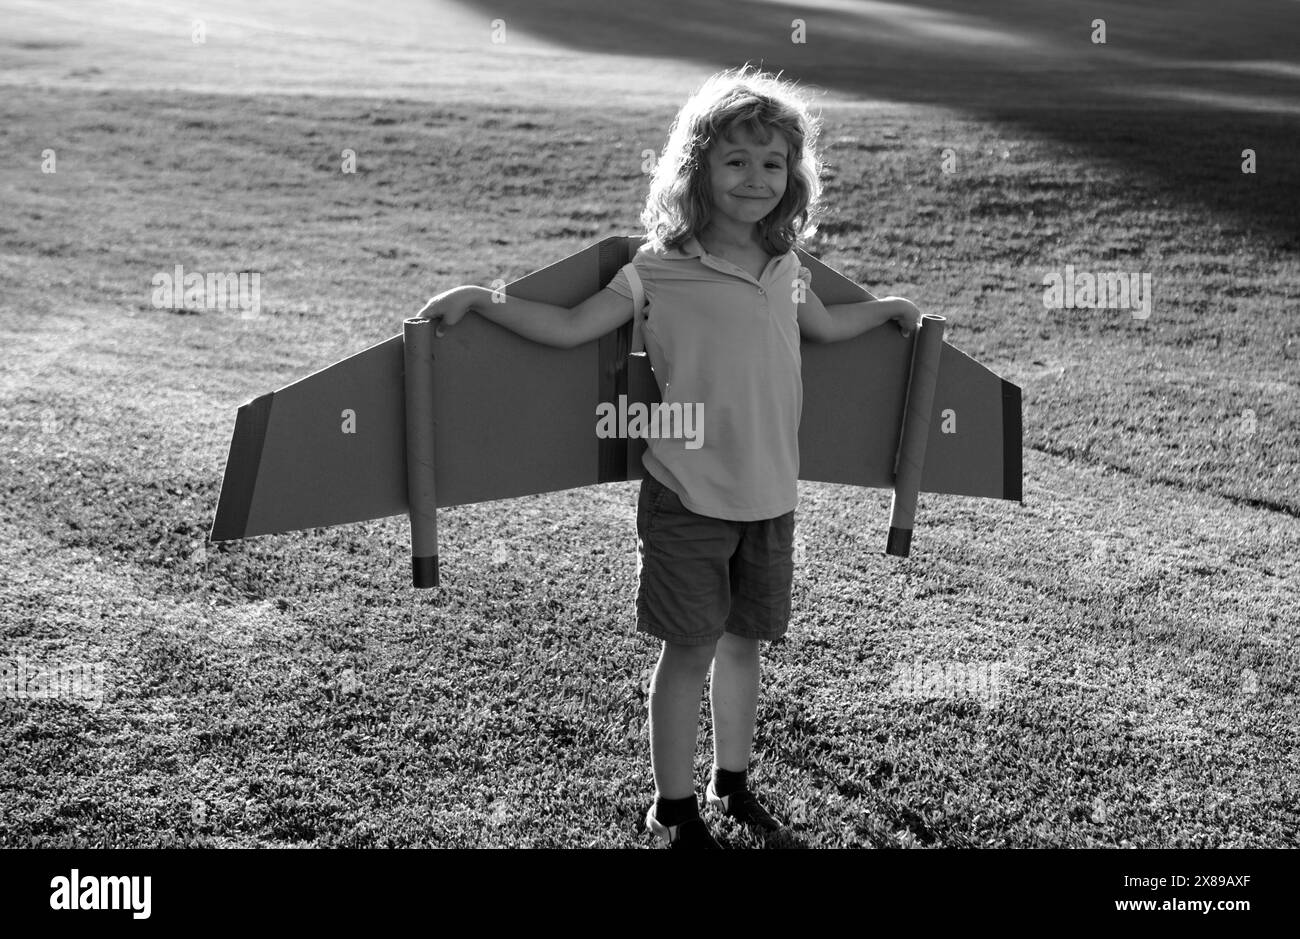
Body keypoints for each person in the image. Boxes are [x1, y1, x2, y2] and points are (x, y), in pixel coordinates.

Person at [418, 65, 922, 848]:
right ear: (696, 168)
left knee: (744, 644)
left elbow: (824, 327)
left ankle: (733, 781)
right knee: (688, 649)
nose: (756, 177)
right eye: (735, 160)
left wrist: (885, 309)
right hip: (686, 493)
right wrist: (485, 299)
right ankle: (674, 806)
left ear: (793, 177)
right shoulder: (656, 269)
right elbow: (571, 326)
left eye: (773, 162)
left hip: (770, 495)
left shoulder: (787, 266)